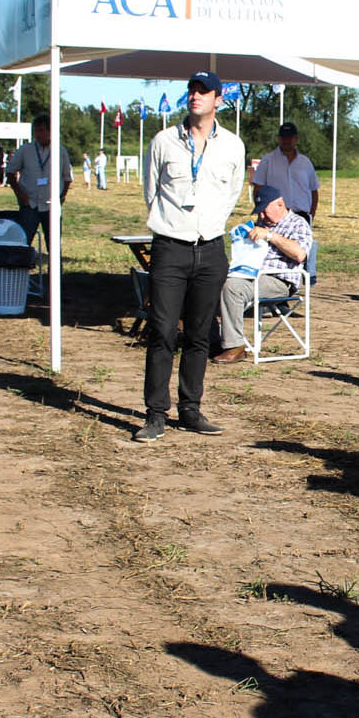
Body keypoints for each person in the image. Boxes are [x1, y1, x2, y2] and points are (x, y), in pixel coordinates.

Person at [136, 70, 245, 441]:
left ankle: (190, 410)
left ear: (218, 99)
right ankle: (155, 414)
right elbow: (151, 190)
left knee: (200, 335)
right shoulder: (164, 141)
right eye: (192, 90)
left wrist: (210, 224)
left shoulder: (232, 145)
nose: (196, 96)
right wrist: (173, 224)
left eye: (204, 91)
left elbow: (232, 193)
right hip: (170, 246)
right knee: (163, 331)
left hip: (210, 248)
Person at [213, 186, 314, 364]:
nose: (261, 216)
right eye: (259, 212)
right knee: (208, 284)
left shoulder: (298, 224)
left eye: (264, 211)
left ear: (280, 205)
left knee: (233, 288)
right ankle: (209, 339)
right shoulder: (260, 223)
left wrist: (270, 235)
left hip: (278, 279)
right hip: (249, 274)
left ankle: (234, 346)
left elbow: (299, 254)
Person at [4, 113, 75, 246]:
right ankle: (25, 260)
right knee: (24, 242)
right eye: (35, 131)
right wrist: (20, 195)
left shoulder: (60, 151)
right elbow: (10, 172)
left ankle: (53, 260)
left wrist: (62, 196)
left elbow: (67, 177)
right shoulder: (25, 150)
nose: (38, 134)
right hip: (30, 204)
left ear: (50, 131)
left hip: (51, 205)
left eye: (41, 130)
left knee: (53, 245)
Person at [252, 122, 320, 220]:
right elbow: (258, 189)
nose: (286, 141)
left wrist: (311, 214)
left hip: (302, 215)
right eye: (283, 137)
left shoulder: (305, 162)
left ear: (296, 139)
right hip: (275, 216)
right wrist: (262, 213)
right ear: (279, 139)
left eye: (290, 138)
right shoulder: (267, 161)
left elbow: (314, 190)